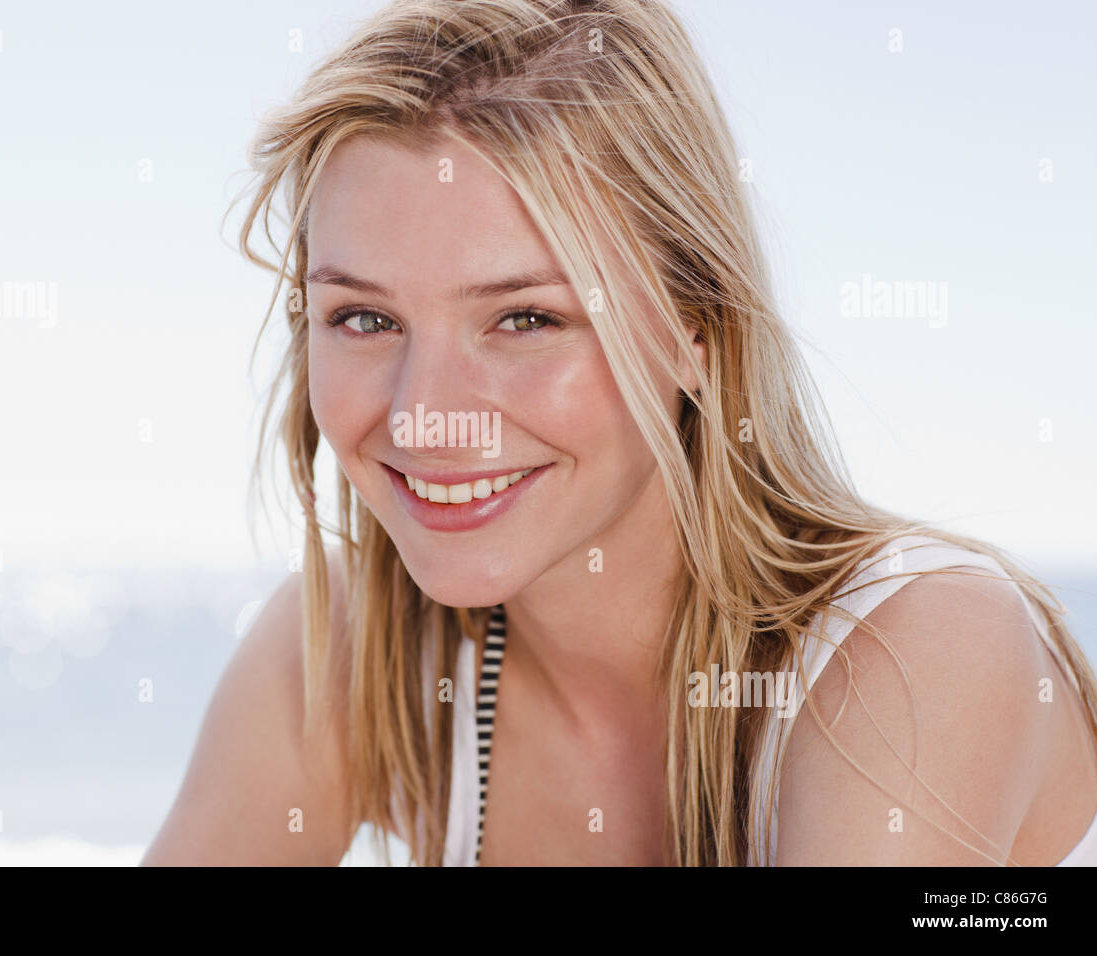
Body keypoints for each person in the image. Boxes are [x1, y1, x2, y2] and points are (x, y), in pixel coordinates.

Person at [143, 0, 1097, 866]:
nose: (421, 414)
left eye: (525, 319)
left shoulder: (920, 646)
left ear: (696, 330)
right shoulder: (357, 648)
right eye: (363, 318)